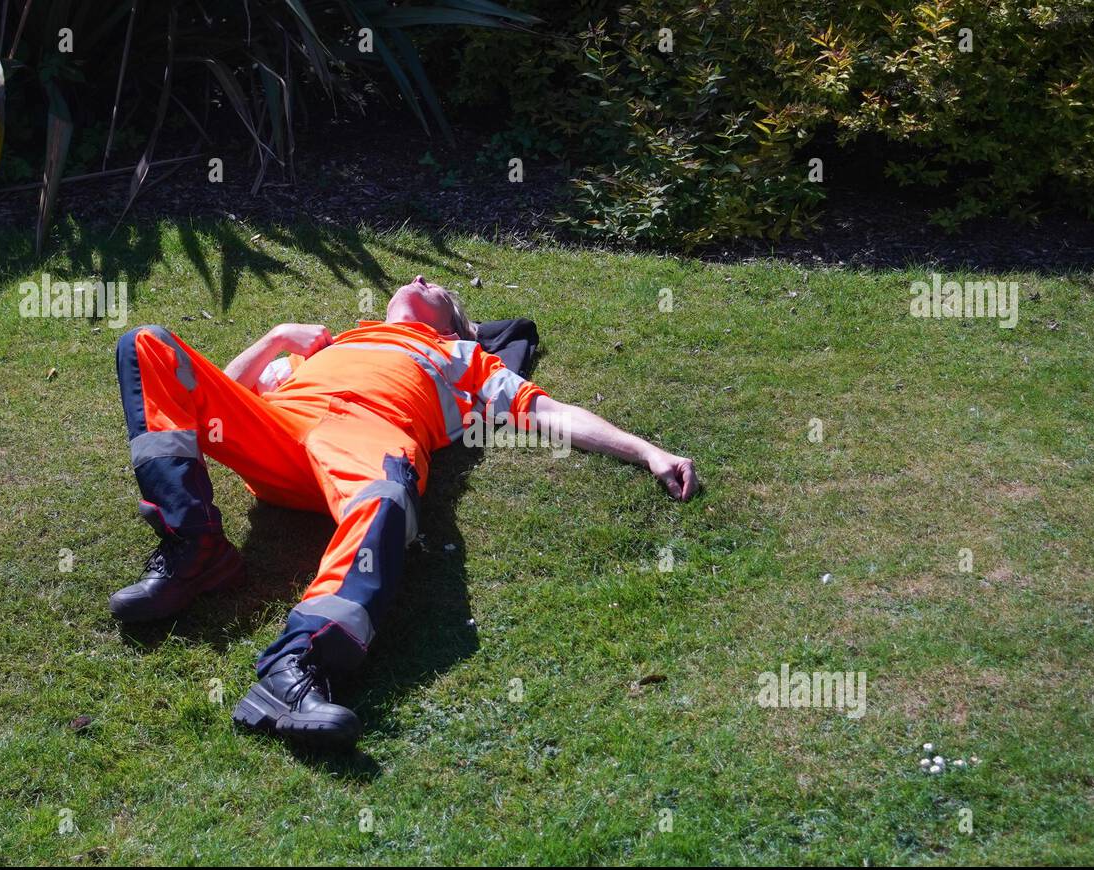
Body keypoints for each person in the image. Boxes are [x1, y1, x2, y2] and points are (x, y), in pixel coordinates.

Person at [109, 276, 698, 747]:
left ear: (454, 323)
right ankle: (196, 548)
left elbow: (550, 414)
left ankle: (298, 667)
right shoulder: (332, 344)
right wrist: (274, 340)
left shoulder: (467, 358)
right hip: (282, 437)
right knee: (147, 345)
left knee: (387, 495)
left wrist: (648, 452)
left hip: (367, 442)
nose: (419, 278)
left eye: (438, 289)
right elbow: (205, 396)